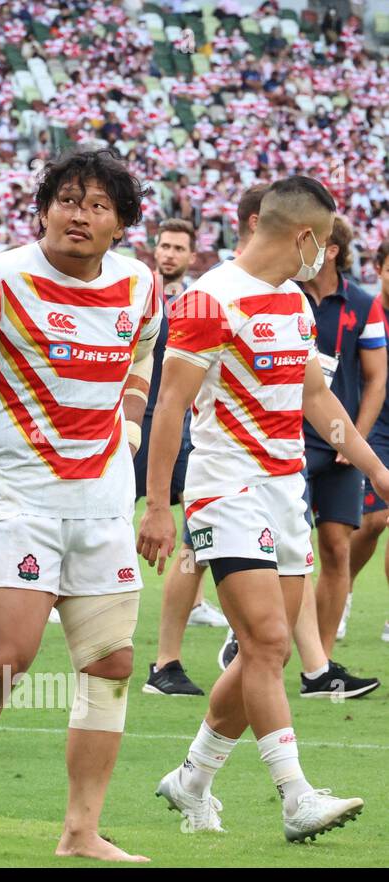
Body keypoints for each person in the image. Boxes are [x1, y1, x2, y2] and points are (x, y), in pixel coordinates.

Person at [0, 149, 161, 861]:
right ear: (43, 208)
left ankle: (80, 830)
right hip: (21, 502)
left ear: (120, 223)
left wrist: (130, 423)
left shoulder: (140, 283)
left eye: (99, 204)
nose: (80, 214)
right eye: (68, 199)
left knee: (111, 665)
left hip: (105, 505)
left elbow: (143, 351)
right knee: (6, 657)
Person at [139, 176, 382, 842]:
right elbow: (168, 408)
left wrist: (377, 469)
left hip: (285, 496)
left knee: (257, 654)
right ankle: (296, 796)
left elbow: (318, 402)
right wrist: (160, 505)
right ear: (306, 236)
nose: (329, 254)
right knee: (271, 642)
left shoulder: (295, 305)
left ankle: (191, 778)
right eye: (327, 241)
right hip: (227, 492)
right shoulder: (209, 300)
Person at [137, 218, 228, 698]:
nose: (169, 254)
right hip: (137, 417)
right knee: (125, 508)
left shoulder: (198, 301)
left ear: (192, 257)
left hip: (183, 427)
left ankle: (192, 614)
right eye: (164, 245)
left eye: (178, 248)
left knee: (190, 525)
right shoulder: (137, 292)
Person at [298, 214, 386, 659]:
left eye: (310, 240)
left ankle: (322, 662)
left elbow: (376, 378)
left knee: (335, 549)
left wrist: (357, 441)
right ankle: (254, 636)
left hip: (340, 448)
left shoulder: (363, 303)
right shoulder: (283, 294)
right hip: (285, 442)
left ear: (331, 250)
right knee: (283, 552)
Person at [346, 239, 389, 640]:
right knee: (373, 521)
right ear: (379, 269)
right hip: (374, 427)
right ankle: (343, 591)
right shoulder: (368, 311)